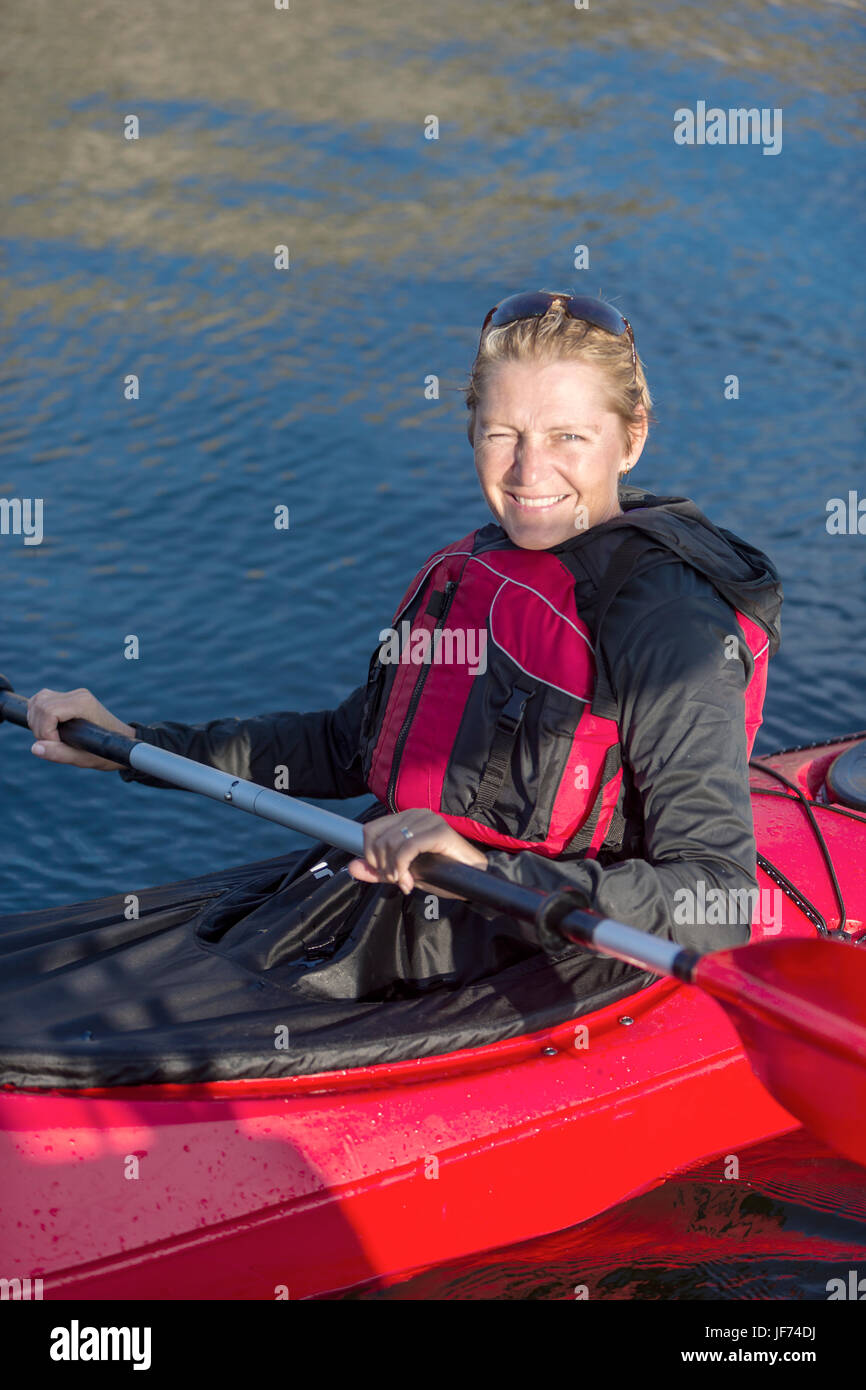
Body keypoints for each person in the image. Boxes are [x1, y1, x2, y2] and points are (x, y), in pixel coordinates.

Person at [26, 291, 782, 983]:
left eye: (569, 436)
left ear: (633, 439)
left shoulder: (674, 625)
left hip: (541, 950)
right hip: (396, 903)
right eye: (502, 434)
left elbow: (718, 898)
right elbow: (347, 744)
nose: (529, 469)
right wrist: (133, 745)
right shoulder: (483, 571)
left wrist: (488, 875)